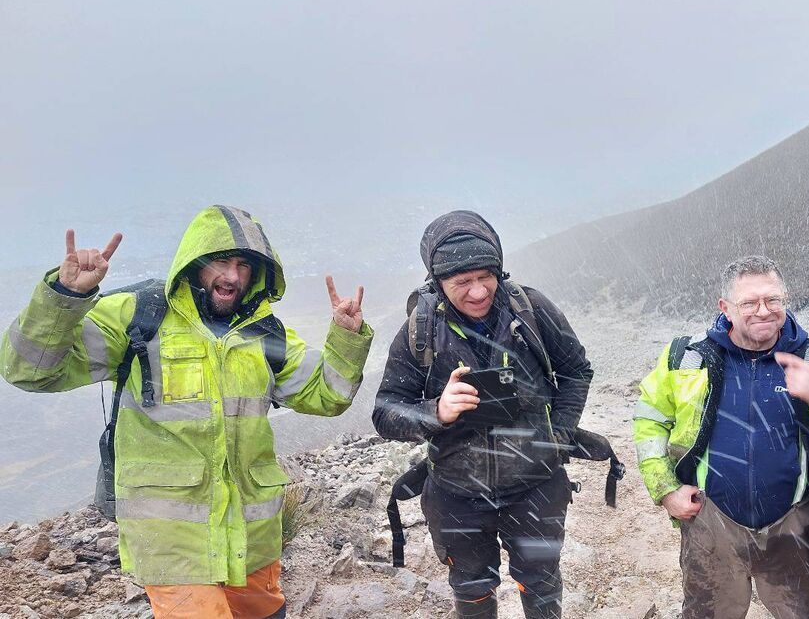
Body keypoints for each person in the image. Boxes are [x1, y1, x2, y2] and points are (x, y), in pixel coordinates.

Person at [1, 205, 374, 619]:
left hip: (251, 541)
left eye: (243, 265)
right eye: (220, 261)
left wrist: (346, 338)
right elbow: (29, 370)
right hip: (172, 542)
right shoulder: (140, 316)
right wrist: (65, 298)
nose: (232, 276)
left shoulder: (265, 333)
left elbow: (328, 396)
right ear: (195, 263)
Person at [632, 255, 809, 619]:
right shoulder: (687, 359)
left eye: (772, 300)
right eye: (749, 303)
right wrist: (664, 488)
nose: (763, 311)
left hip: (796, 527)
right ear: (725, 308)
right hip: (711, 525)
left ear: (786, 299)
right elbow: (650, 421)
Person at [373, 210, 593, 619]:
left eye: (485, 276)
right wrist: (436, 412)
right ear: (437, 282)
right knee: (472, 590)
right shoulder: (421, 329)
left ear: (498, 269)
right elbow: (385, 413)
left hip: (534, 486)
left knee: (540, 583)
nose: (478, 292)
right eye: (462, 282)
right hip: (457, 494)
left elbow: (576, 370)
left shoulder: (529, 309)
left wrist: (559, 436)